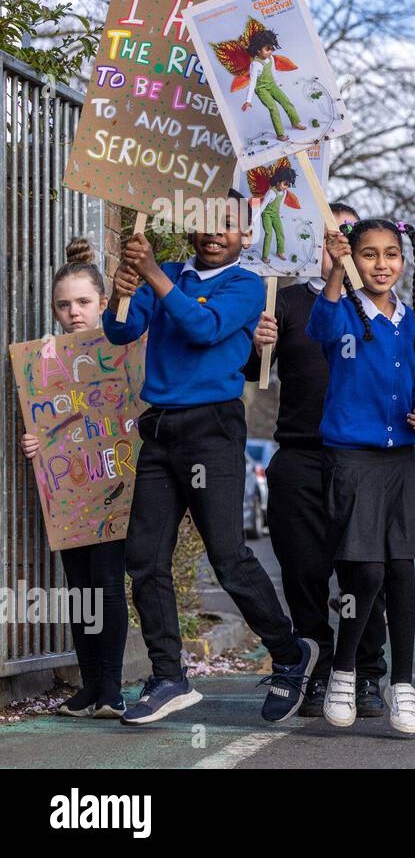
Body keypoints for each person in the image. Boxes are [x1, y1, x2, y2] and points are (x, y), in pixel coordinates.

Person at [105, 199, 316, 725]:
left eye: (227, 225)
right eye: (204, 222)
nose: (214, 233)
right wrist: (122, 291)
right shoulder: (170, 275)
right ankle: (168, 675)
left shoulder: (246, 286)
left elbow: (202, 327)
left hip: (212, 429)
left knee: (227, 555)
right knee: (143, 557)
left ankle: (290, 654)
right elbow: (120, 332)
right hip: (159, 426)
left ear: (246, 235)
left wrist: (153, 274)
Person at [242, 202, 415, 718]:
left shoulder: (388, 311)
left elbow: (405, 371)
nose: (338, 249)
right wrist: (257, 343)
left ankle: (367, 670)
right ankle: (317, 669)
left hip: (370, 457)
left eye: (346, 239)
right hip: (301, 455)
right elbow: (254, 369)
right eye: (329, 240)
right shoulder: (288, 302)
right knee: (304, 570)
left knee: (370, 568)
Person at [309, 219, 415, 734]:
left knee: (401, 573)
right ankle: (343, 671)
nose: (381, 264)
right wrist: (333, 274)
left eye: (391, 254)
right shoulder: (341, 312)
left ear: (403, 262)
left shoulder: (410, 322)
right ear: (353, 261)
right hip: (352, 460)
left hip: (401, 463)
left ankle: (403, 686)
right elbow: (320, 327)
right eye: (368, 255)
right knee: (363, 573)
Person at [18, 240, 130, 719]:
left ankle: (112, 688)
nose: (73, 312)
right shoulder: (44, 363)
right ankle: (90, 688)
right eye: (63, 304)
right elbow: (51, 423)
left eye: (82, 302)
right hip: (67, 488)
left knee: (107, 582)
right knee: (78, 588)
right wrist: (35, 443)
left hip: (115, 483)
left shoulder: (126, 346)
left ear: (102, 303)